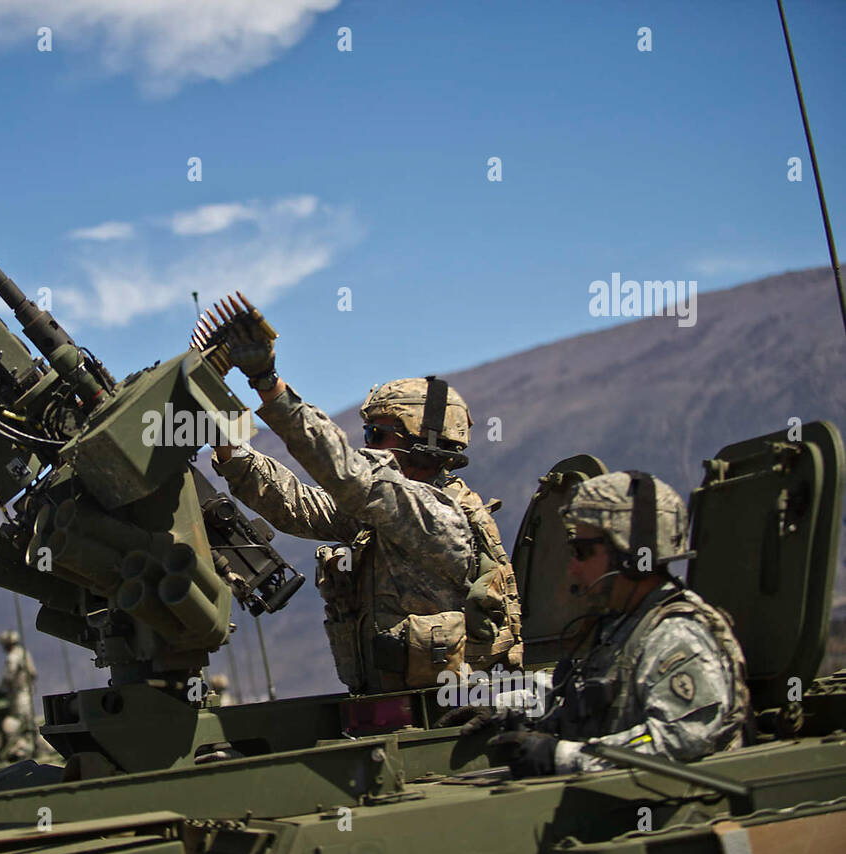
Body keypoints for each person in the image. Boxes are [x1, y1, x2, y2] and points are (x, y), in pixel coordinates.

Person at [211, 309, 521, 693]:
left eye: (377, 433)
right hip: (396, 709)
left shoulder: (437, 517)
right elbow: (298, 506)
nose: (366, 445)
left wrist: (268, 385)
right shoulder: (384, 515)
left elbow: (350, 476)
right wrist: (225, 443)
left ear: (421, 445)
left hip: (448, 715)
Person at [467, 471, 750, 777]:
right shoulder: (625, 625)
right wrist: (501, 703)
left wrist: (566, 757)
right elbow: (585, 689)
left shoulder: (677, 634)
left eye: (583, 553)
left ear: (628, 556)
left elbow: (677, 737)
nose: (573, 567)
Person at [0, 629, 39, 761]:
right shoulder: (24, 653)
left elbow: (9, 676)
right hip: (27, 692)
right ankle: (32, 748)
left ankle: (23, 752)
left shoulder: (13, 657)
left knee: (20, 722)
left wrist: (0, 690)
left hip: (19, 694)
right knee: (28, 721)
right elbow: (33, 673)